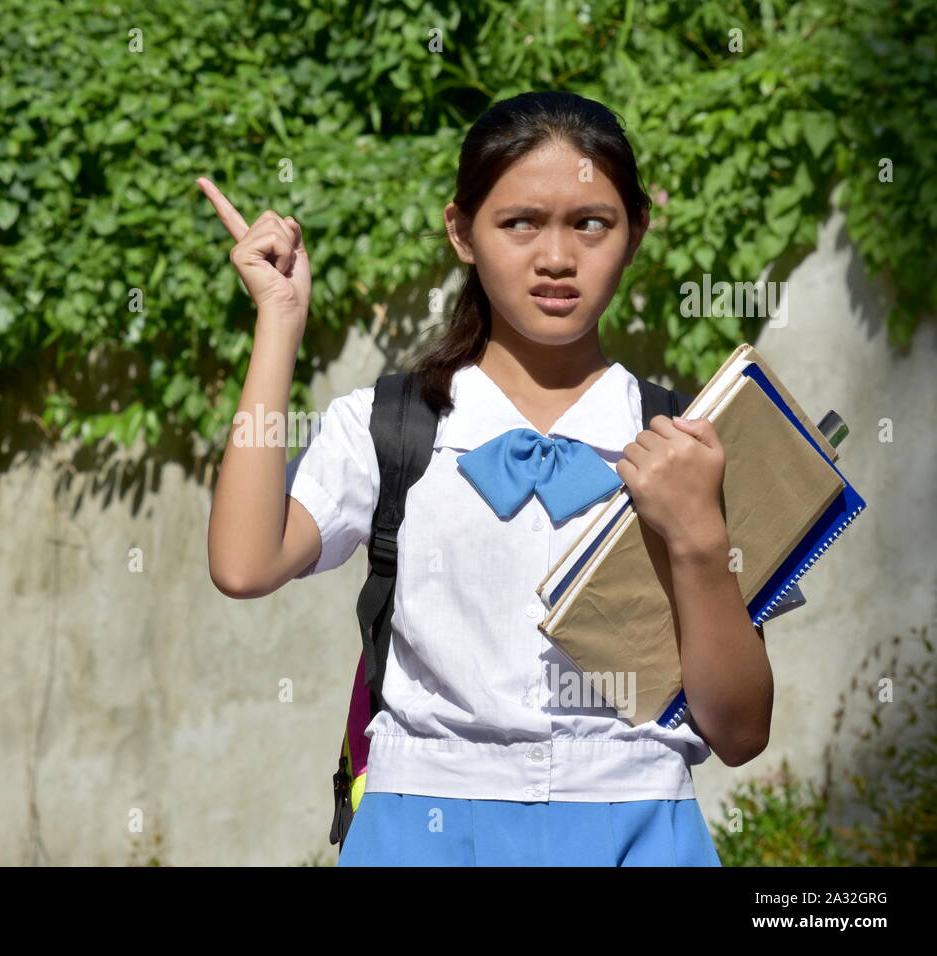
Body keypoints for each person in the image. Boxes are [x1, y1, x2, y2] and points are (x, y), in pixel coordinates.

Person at [203, 90, 791, 866]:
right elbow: (244, 566)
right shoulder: (392, 426)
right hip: (421, 830)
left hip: (641, 826)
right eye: (519, 223)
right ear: (462, 232)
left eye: (592, 223)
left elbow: (741, 731)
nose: (556, 257)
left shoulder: (688, 444)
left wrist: (699, 542)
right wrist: (278, 320)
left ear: (637, 229)